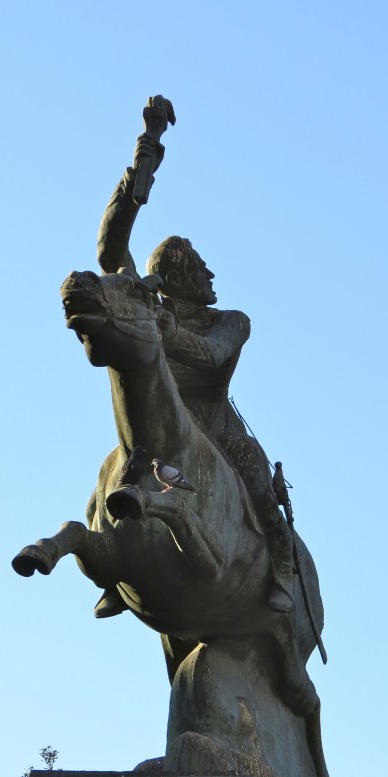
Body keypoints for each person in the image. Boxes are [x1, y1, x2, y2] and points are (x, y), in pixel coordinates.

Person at [95, 98, 293, 617]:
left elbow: (209, 357)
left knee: (254, 474)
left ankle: (283, 567)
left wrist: (163, 331)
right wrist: (146, 153)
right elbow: (110, 248)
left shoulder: (232, 320)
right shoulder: (155, 308)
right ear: (182, 275)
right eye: (202, 268)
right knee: (108, 474)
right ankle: (115, 567)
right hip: (165, 417)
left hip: (216, 429)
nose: (211, 276)